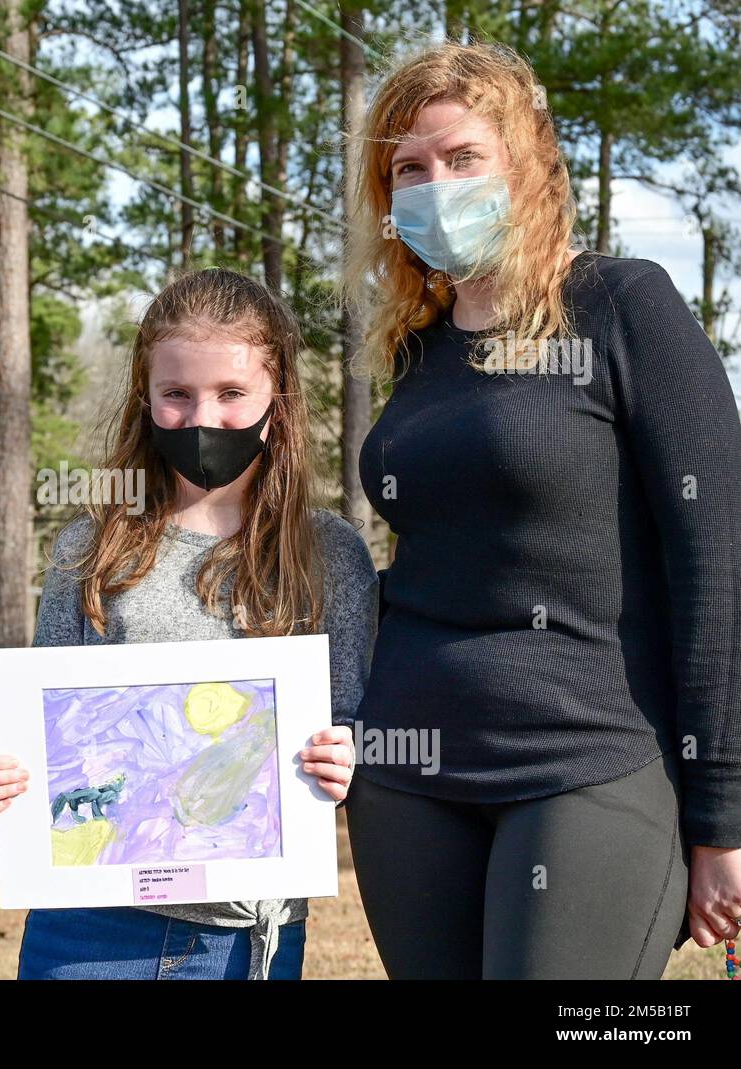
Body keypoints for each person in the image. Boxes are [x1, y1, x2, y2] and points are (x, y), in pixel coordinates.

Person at [339, 39, 741, 978]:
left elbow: (717, 560)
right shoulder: (416, 352)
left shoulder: (621, 304)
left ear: (526, 165)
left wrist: (723, 813)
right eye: (409, 168)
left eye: (463, 157)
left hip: (589, 763)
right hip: (407, 777)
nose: (435, 184)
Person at [0, 267, 379, 980]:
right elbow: (49, 734)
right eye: (177, 394)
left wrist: (344, 756)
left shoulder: (330, 554)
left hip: (241, 938)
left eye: (231, 394)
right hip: (86, 929)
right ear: (145, 397)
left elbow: (349, 723)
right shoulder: (89, 545)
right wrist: (10, 773)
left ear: (276, 403)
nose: (202, 418)